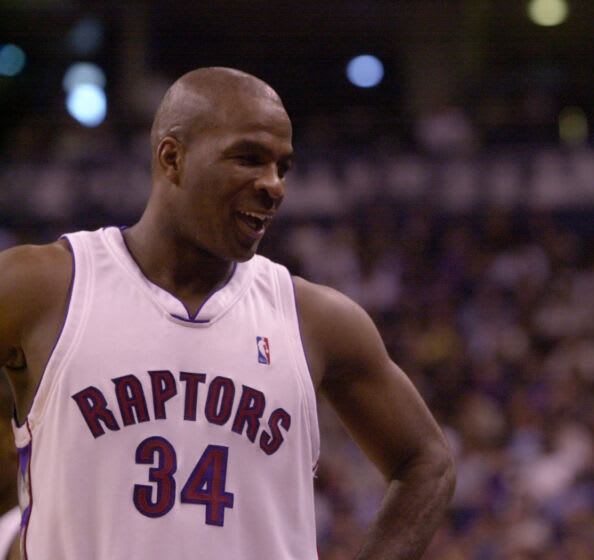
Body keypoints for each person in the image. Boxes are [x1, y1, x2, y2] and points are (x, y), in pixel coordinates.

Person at [0, 67, 455, 559]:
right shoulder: (41, 287)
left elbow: (427, 462)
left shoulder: (317, 320)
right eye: (249, 159)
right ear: (172, 158)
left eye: (283, 167)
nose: (274, 185)